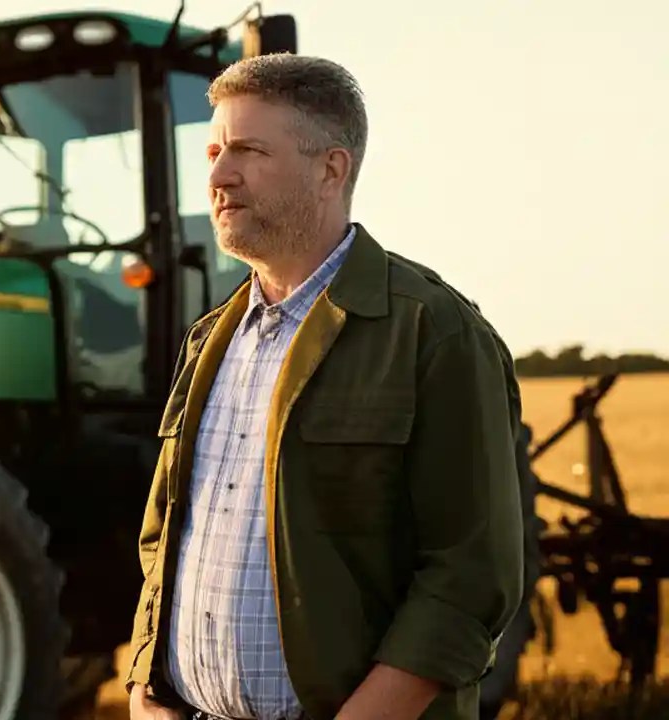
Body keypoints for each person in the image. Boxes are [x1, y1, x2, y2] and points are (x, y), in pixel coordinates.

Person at [125, 53, 527, 720]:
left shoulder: (434, 331)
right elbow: (162, 538)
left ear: (330, 169)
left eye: (249, 151)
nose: (219, 176)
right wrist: (144, 690)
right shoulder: (207, 342)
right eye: (214, 151)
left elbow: (470, 577)